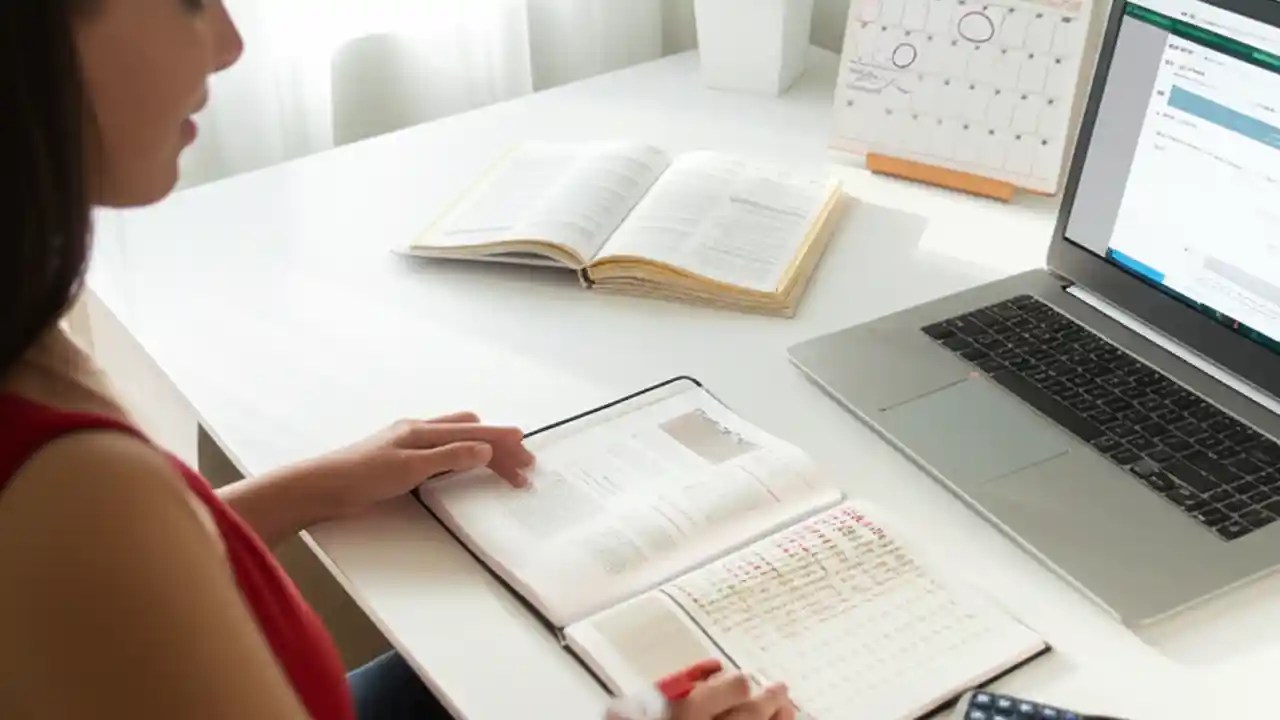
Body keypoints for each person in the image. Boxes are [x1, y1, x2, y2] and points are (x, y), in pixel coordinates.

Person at [0, 1, 797, 719]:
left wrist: (317, 483)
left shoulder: (31, 347)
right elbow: (92, 550)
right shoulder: (78, 490)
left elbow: (110, 592)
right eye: (187, 1)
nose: (230, 43)